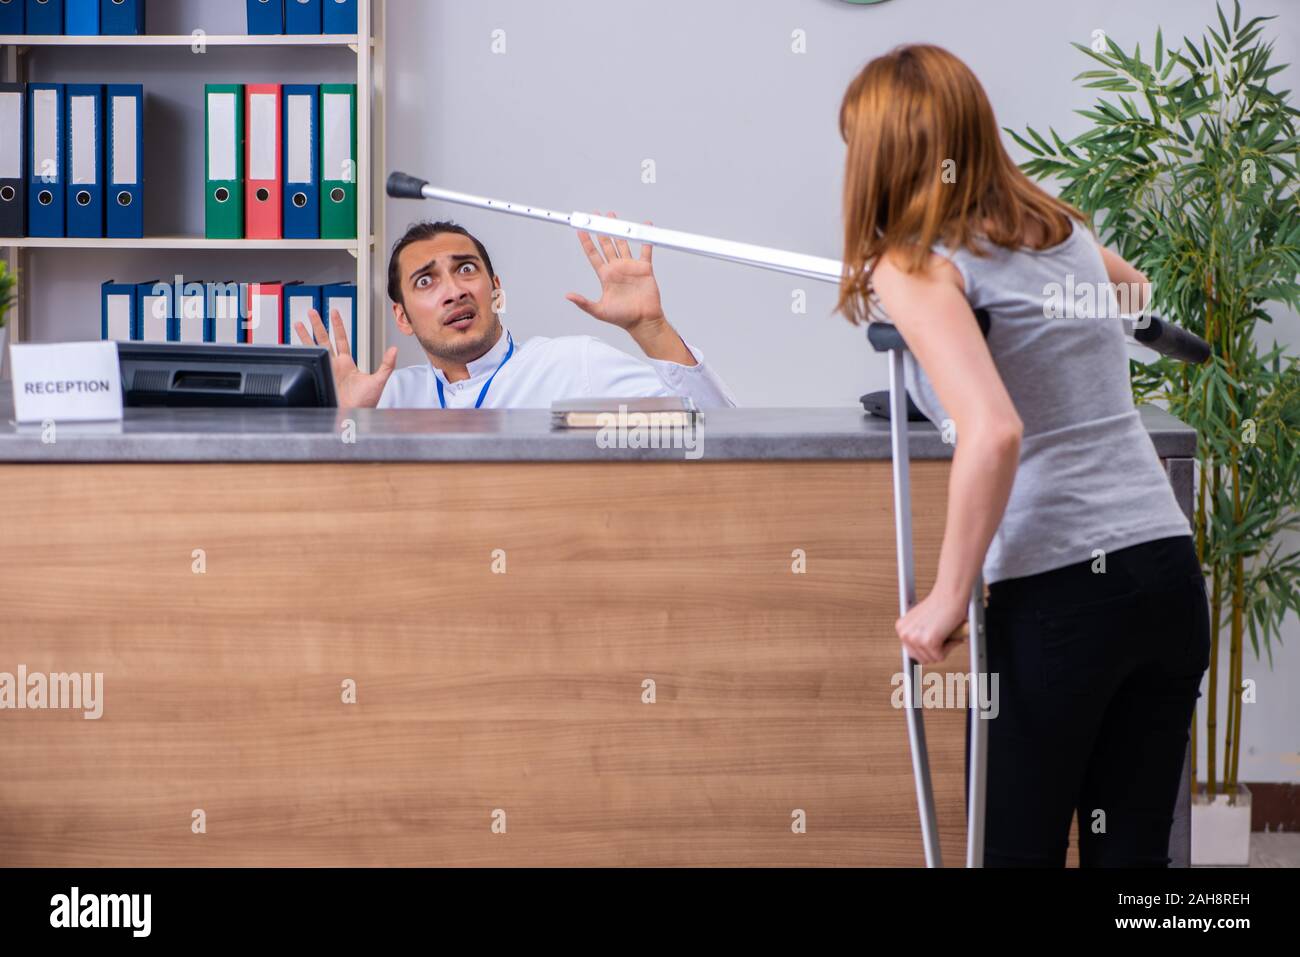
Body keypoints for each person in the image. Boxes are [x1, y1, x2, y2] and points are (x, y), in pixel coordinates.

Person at [836, 44, 1210, 867]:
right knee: (1134, 861)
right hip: (1165, 572)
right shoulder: (1060, 227)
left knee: (1013, 853)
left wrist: (946, 597)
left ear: (882, 156)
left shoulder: (913, 264)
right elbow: (1136, 290)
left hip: (1058, 595)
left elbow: (994, 430)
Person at [295, 216, 737, 410]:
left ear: (495, 289)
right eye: (426, 281)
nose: (454, 291)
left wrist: (651, 328)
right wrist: (342, 421)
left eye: (466, 269)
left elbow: (722, 437)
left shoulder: (573, 364)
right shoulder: (384, 398)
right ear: (403, 317)